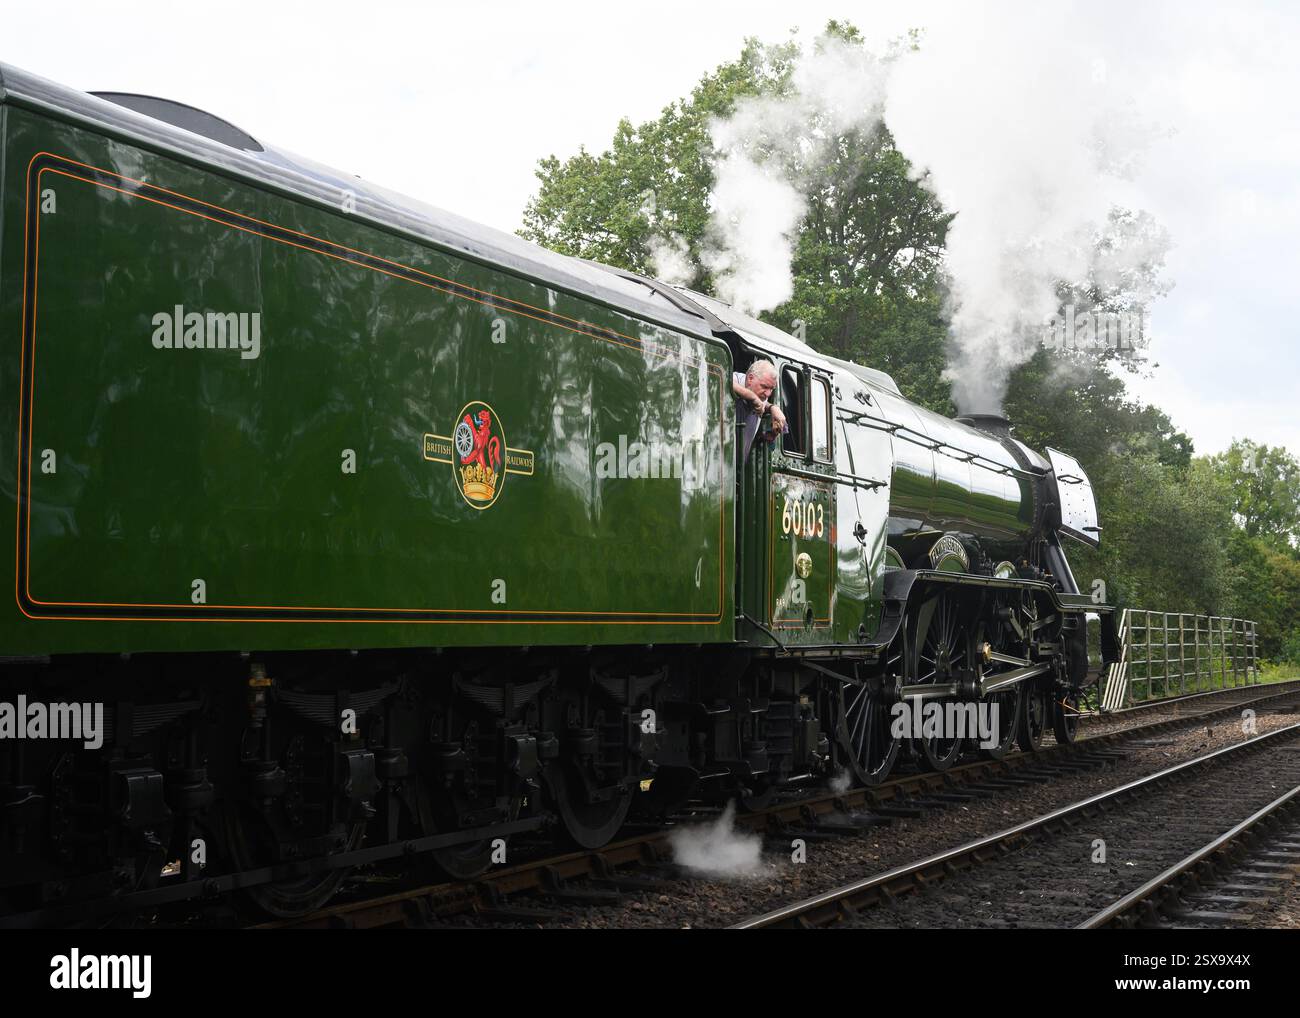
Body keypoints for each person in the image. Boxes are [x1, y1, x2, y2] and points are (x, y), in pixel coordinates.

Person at [732, 360, 787, 461]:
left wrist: (773, 408)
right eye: (765, 387)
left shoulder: (762, 395)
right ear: (750, 378)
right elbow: (728, 381)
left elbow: (764, 403)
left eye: (771, 389)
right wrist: (753, 397)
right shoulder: (735, 378)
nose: (768, 394)